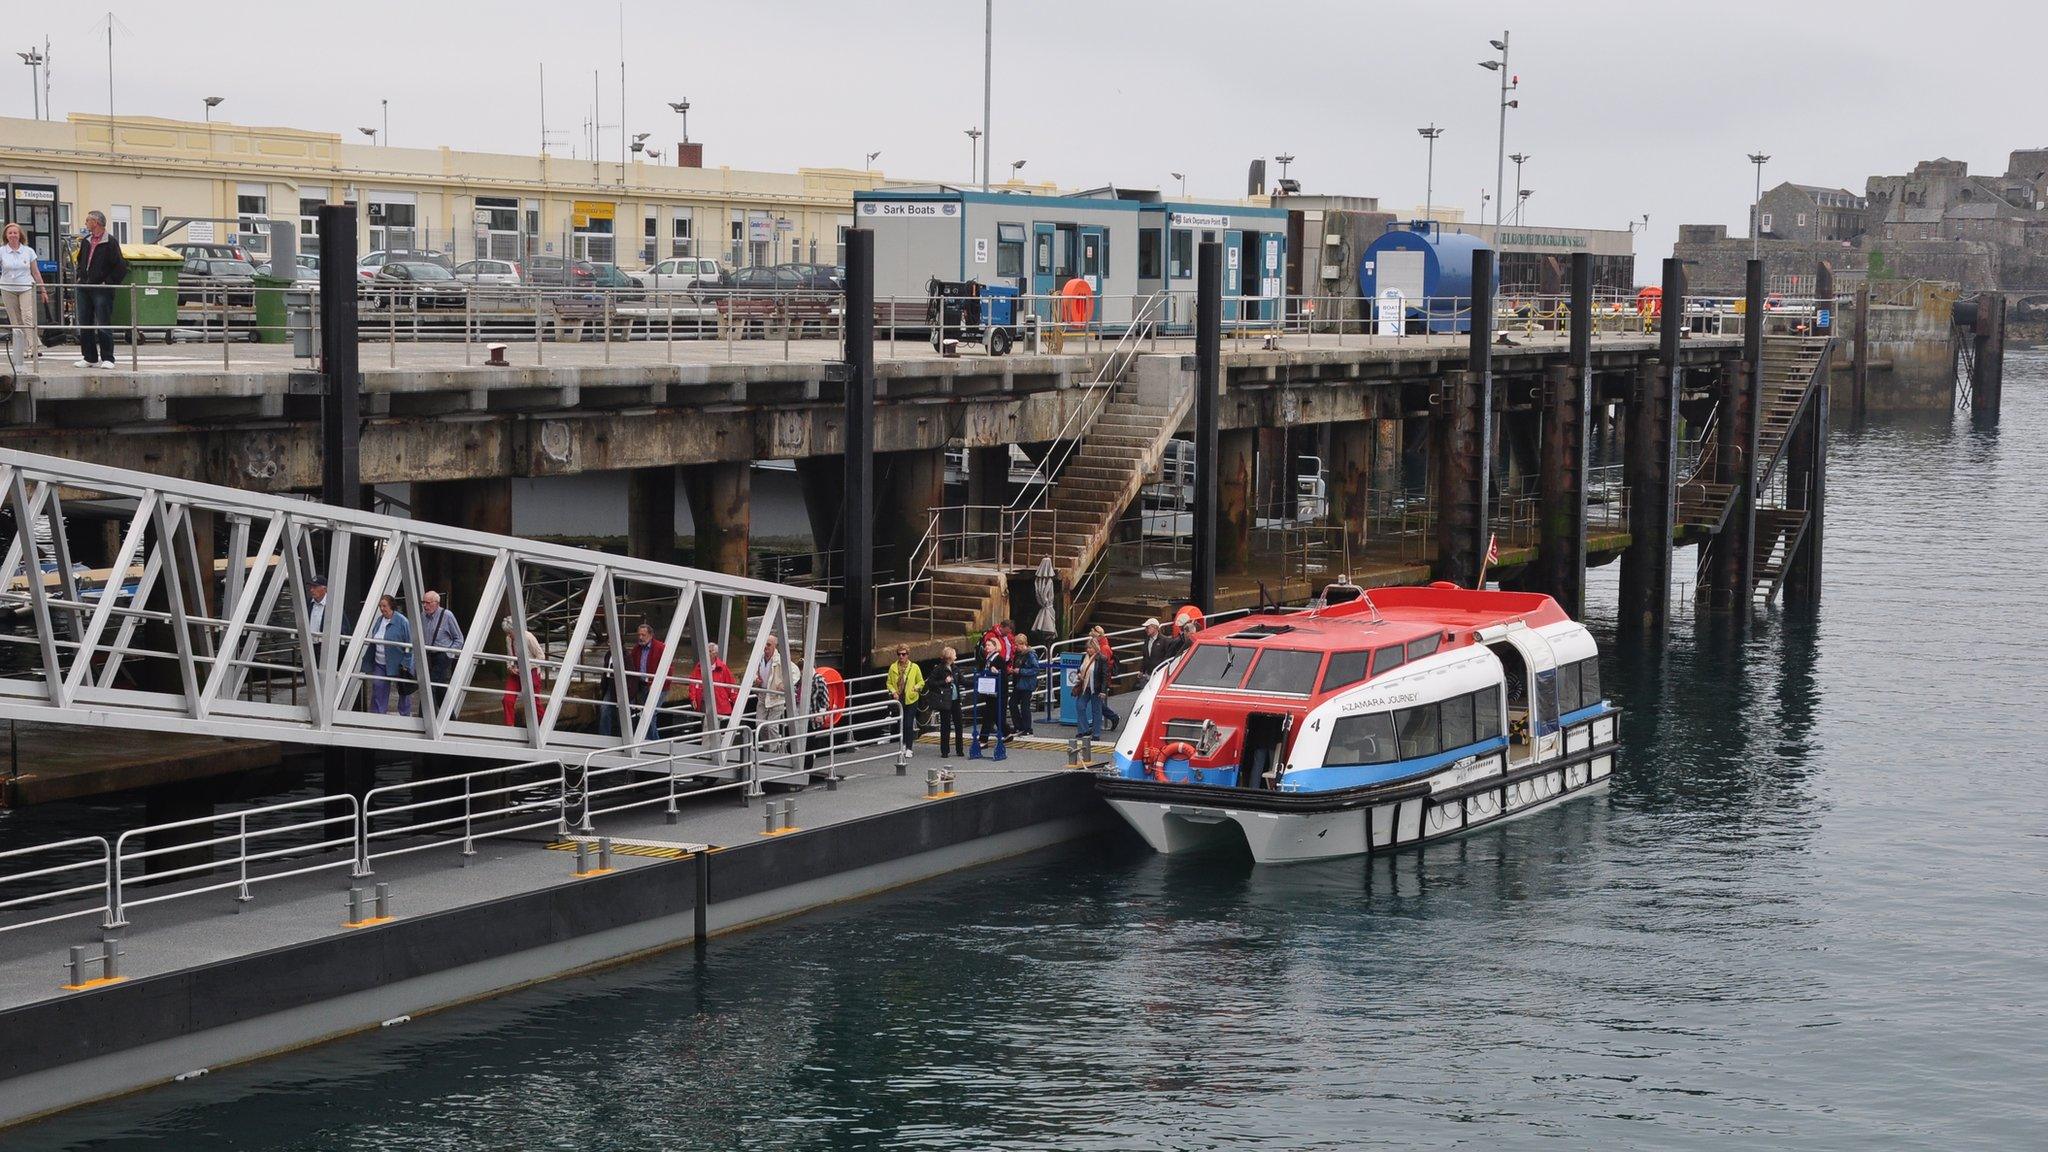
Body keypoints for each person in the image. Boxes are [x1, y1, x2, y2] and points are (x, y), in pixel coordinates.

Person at [72, 209, 125, 370]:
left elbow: (121, 266)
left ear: (96, 222)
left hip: (101, 288)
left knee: (103, 322)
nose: (86, 223)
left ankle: (108, 358)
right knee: (85, 322)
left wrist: (107, 282)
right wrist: (80, 277)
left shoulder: (110, 242)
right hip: (84, 286)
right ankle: (89, 357)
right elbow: (81, 260)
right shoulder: (86, 240)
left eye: (88, 220)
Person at [1, 222, 50, 369]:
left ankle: (33, 347)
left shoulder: (28, 251)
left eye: (15, 233)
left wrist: (43, 290)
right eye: (10, 233)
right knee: (15, 320)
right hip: (7, 287)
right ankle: (21, 348)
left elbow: (35, 272)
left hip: (26, 286)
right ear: (6, 236)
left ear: (20, 235)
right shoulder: (2, 251)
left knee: (28, 316)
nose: (13, 235)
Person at [365, 595, 413, 716]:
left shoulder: (402, 621)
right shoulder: (379, 620)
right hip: (380, 661)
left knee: (403, 689)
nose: (381, 609)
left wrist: (406, 662)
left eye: (384, 606)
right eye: (380, 606)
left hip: (398, 663)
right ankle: (378, 716)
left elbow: (410, 643)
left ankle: (405, 715)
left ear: (391, 606)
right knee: (378, 687)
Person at [756, 633, 797, 758]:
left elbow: (795, 673)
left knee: (772, 726)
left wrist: (785, 684)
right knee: (760, 726)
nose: (765, 647)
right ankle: (768, 749)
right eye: (764, 644)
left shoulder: (780, 660)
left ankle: (774, 753)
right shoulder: (759, 658)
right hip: (763, 696)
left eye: (768, 645)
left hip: (776, 697)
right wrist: (755, 679)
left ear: (774, 646)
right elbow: (752, 672)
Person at [500, 616, 545, 726]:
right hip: (516, 673)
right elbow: (509, 656)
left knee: (534, 703)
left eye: (510, 632)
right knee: (507, 700)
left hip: (531, 672)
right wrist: (510, 667)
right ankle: (509, 726)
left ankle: (544, 725)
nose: (509, 635)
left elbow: (541, 656)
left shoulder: (529, 637)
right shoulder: (509, 639)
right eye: (508, 633)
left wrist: (526, 666)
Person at [1068, 633, 1105, 767]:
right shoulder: (1084, 657)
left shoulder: (1101, 658)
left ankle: (1096, 733)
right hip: (1084, 686)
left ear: (1096, 648)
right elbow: (1080, 668)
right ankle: (1084, 730)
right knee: (1080, 706)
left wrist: (1103, 690)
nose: (1089, 650)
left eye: (1091, 648)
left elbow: (1104, 675)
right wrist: (1079, 673)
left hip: (1096, 687)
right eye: (1087, 648)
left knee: (1096, 709)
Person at [418, 590, 465, 693]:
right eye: (423, 602)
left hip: (442, 657)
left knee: (429, 688)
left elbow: (459, 639)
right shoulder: (423, 616)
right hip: (429, 656)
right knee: (439, 691)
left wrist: (449, 654)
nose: (425, 606)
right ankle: (448, 710)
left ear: (437, 603)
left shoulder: (447, 616)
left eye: (428, 603)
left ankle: (424, 709)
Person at [627, 621, 668, 734]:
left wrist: (656, 684)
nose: (640, 637)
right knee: (646, 715)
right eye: (639, 635)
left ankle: (653, 743)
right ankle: (651, 742)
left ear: (650, 635)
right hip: (642, 685)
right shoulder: (637, 648)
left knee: (649, 714)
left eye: (643, 635)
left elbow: (668, 668)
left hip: (659, 687)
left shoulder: (660, 648)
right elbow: (631, 664)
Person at [686, 642, 738, 729]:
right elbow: (693, 683)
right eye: (707, 651)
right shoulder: (699, 667)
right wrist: (693, 697)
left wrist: (737, 703)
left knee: (714, 728)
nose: (708, 654)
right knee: (706, 726)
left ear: (715, 654)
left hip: (719, 703)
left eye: (710, 651)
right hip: (704, 702)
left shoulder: (722, 668)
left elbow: (731, 686)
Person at [885, 645, 924, 754]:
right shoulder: (893, 667)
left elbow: (921, 682)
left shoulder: (914, 667)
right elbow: (889, 682)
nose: (901, 656)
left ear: (908, 655)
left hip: (911, 698)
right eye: (899, 654)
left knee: (908, 723)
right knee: (900, 723)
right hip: (899, 698)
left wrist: (915, 688)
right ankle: (903, 744)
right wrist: (893, 691)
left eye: (903, 654)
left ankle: (909, 748)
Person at [932, 646, 965, 760]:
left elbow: (963, 681)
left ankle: (959, 749)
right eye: (954, 654)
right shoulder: (939, 669)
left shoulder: (955, 668)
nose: (956, 656)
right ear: (950, 657)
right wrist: (944, 682)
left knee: (959, 725)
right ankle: (945, 750)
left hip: (955, 700)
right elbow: (931, 683)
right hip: (945, 701)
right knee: (945, 726)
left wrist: (978, 681)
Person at [1010, 633, 1039, 736]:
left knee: (1024, 706)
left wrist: (1021, 671)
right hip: (1019, 682)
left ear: (1022, 644)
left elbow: (1036, 669)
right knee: (1013, 703)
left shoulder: (1030, 654)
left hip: (1027, 684)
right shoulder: (1019, 654)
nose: (1015, 647)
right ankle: (1019, 726)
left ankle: (1027, 728)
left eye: (1017, 645)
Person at [1093, 626, 1120, 731]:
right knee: (1096, 702)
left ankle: (1113, 717)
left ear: (1098, 634)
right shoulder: (1099, 645)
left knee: (1097, 702)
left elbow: (1104, 666)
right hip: (1097, 679)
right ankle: (1112, 717)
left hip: (1100, 679)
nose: (1090, 632)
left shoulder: (1104, 648)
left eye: (1093, 631)